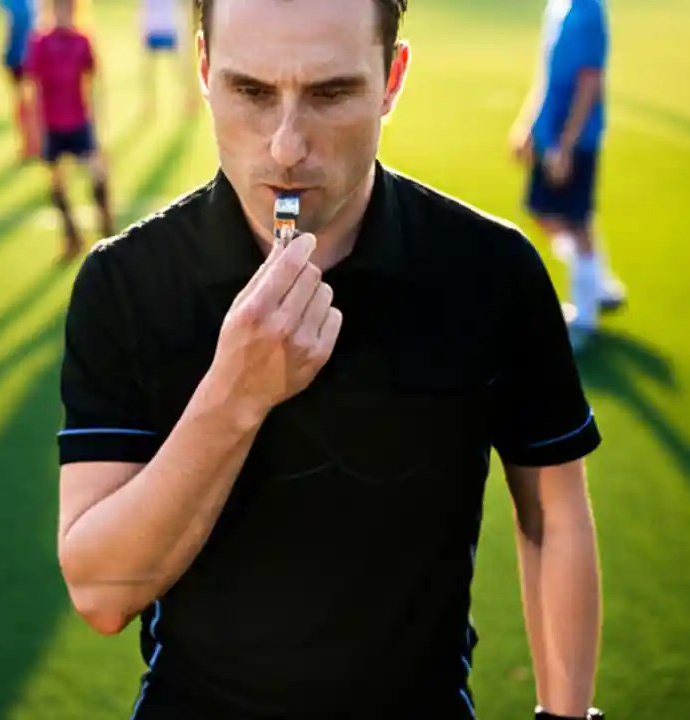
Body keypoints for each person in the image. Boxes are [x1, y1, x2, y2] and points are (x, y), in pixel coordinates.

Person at [55, 0, 607, 719]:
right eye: (250, 91)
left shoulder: (490, 269)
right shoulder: (127, 282)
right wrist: (236, 394)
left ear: (391, 79)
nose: (285, 146)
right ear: (202, 69)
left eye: (330, 93)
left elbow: (552, 515)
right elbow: (101, 593)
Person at [509, 0, 626, 350]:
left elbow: (590, 82)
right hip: (549, 134)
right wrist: (529, 125)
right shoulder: (559, 5)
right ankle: (599, 284)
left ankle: (586, 314)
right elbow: (548, 73)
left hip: (573, 139)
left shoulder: (589, 11)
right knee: (548, 215)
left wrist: (566, 144)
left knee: (572, 219)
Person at [24, 0, 114, 262]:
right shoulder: (40, 42)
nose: (64, 12)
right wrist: (35, 129)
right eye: (60, 7)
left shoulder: (82, 41)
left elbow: (95, 82)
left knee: (97, 175)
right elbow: (33, 88)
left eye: (69, 7)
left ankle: (107, 231)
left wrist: (99, 125)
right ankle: (71, 235)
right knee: (56, 184)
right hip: (52, 125)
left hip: (79, 121)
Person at [0, 0, 41, 160]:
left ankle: (33, 144)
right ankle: (30, 144)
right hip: (19, 55)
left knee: (29, 102)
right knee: (25, 102)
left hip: (27, 55)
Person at [139, 0, 196, 114]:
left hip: (169, 28)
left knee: (177, 68)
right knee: (150, 70)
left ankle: (189, 99)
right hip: (154, 28)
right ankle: (150, 103)